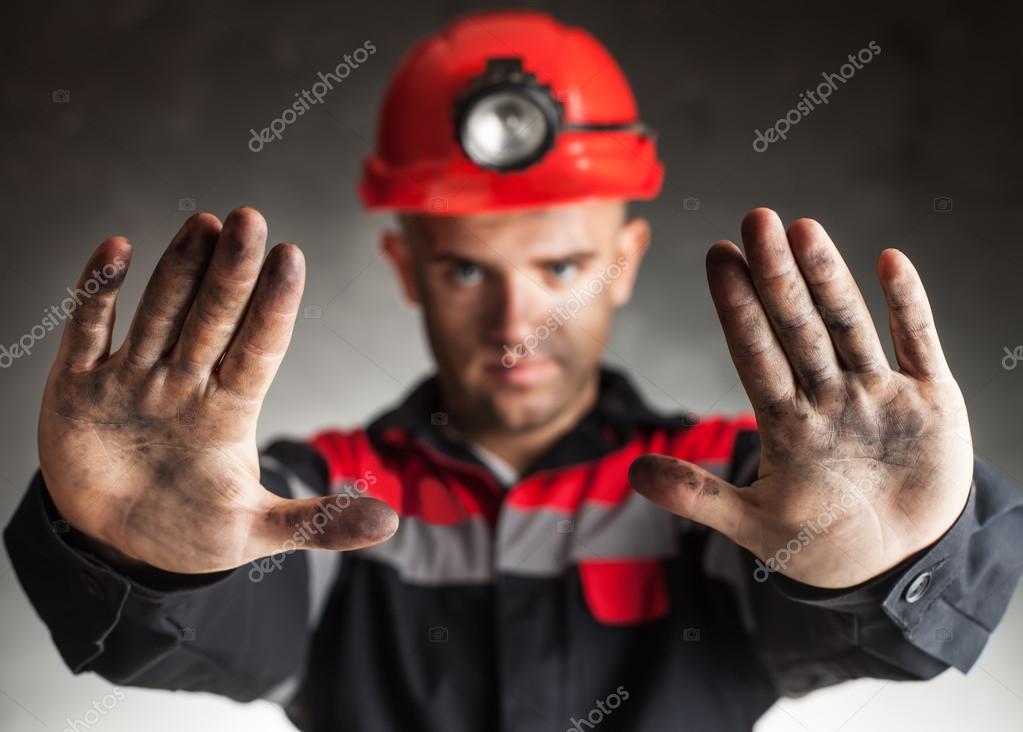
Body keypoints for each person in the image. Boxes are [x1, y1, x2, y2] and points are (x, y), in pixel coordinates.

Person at [5, 10, 1023, 732]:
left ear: (624, 260)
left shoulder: (738, 489)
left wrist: (900, 562)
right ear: (405, 267)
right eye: (463, 268)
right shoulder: (306, 498)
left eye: (563, 266)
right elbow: (197, 629)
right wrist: (139, 562)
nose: (515, 319)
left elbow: (899, 641)